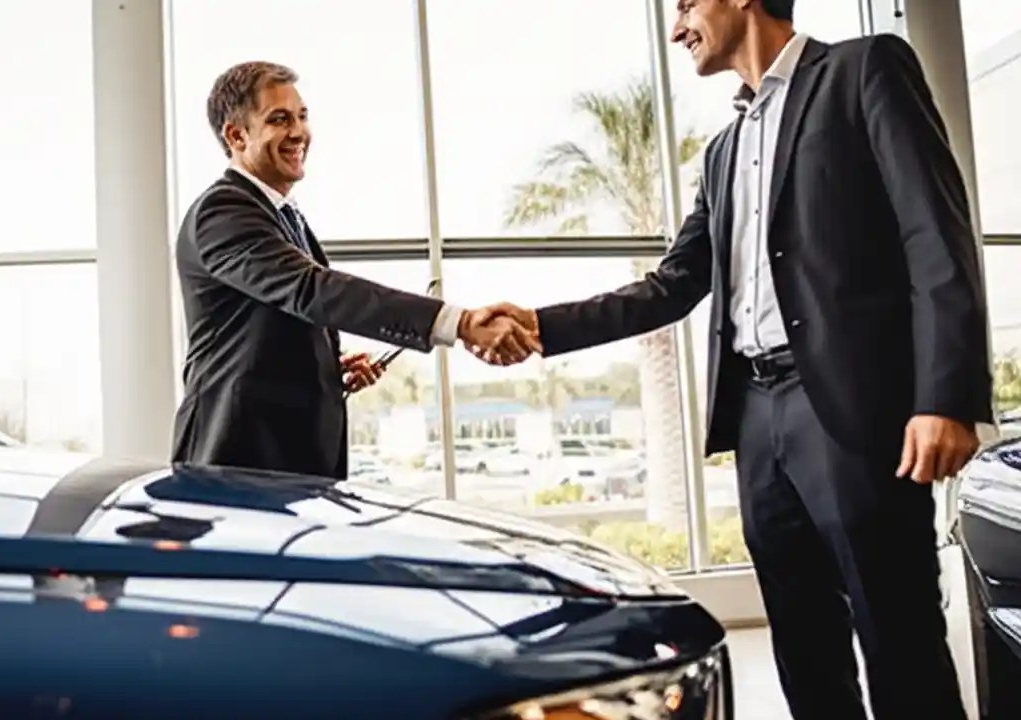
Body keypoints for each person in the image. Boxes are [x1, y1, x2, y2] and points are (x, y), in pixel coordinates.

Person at [475, 2, 994, 718]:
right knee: (803, 645)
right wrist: (541, 325)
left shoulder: (862, 69)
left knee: (899, 635)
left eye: (686, 4)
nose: (676, 25)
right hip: (758, 417)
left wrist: (945, 396)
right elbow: (673, 284)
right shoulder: (722, 150)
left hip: (853, 413)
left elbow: (934, 233)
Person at [172, 60, 540, 481]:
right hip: (237, 461)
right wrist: (456, 322)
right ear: (236, 135)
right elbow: (311, 290)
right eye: (279, 119)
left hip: (287, 464)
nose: (298, 132)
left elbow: (269, 327)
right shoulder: (223, 212)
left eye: (302, 116)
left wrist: (325, 368)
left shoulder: (281, 214)